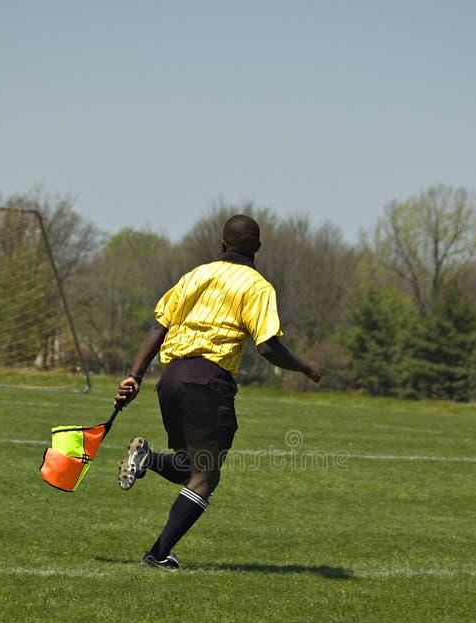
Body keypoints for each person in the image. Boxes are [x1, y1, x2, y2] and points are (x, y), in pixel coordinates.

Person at [114, 213, 323, 569]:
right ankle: (158, 554)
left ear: (223, 244)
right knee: (206, 475)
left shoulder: (195, 275)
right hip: (207, 380)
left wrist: (134, 375)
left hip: (171, 378)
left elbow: (157, 328)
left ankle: (147, 458)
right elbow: (268, 347)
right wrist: (306, 367)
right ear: (257, 248)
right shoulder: (257, 286)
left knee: (189, 464)